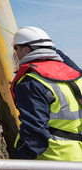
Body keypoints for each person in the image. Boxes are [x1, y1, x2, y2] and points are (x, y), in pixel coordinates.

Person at [10, 26, 82, 160]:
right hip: (77, 156)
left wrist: (20, 162)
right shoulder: (77, 77)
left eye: (16, 48)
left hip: (51, 158)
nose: (15, 53)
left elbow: (35, 133)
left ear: (26, 50)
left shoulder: (31, 83)